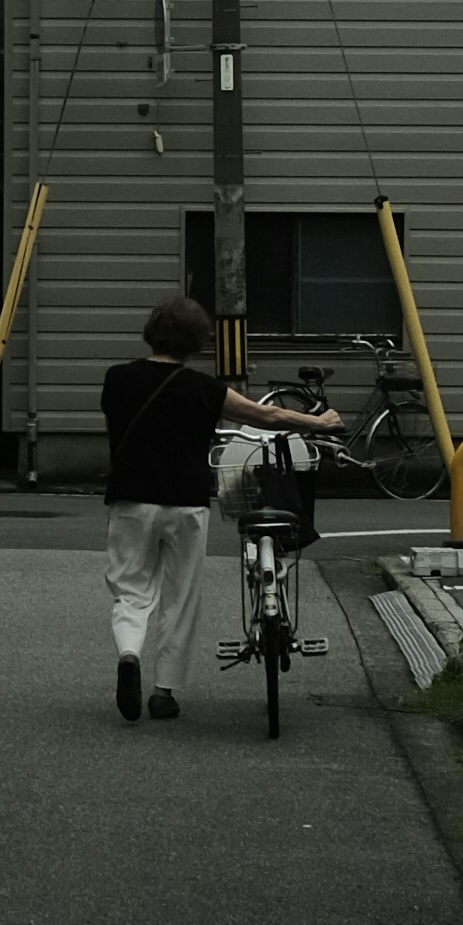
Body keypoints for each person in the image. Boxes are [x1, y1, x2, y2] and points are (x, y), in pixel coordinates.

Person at [99, 293, 336, 721]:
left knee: (131, 588)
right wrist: (320, 422)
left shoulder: (117, 379)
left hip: (131, 496)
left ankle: (129, 653)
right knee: (180, 595)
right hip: (186, 502)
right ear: (197, 342)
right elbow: (269, 419)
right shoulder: (205, 389)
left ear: (152, 334)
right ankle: (163, 692)